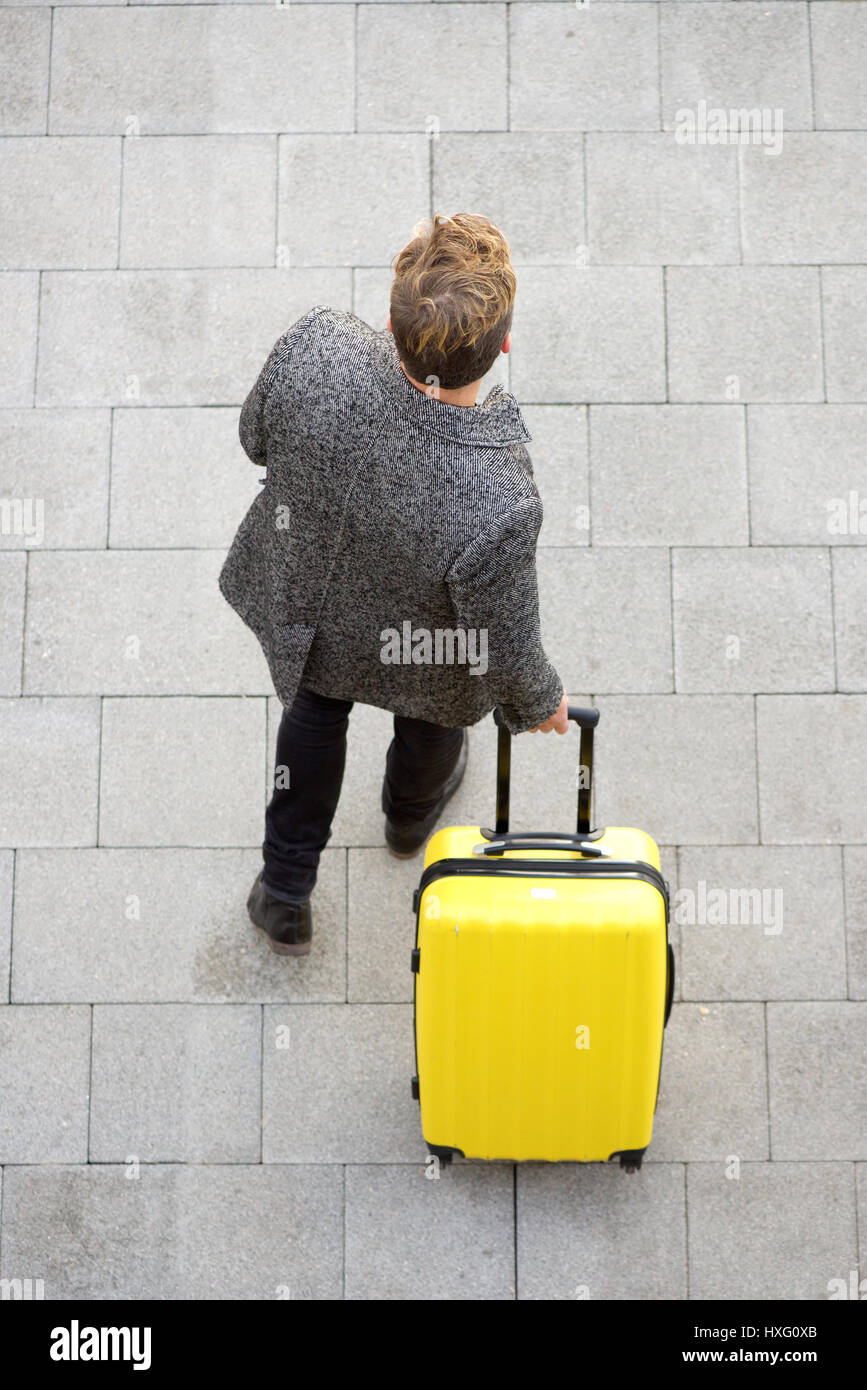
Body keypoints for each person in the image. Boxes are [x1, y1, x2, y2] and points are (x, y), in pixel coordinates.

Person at [219, 212, 567, 958]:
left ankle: (284, 891)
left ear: (390, 317)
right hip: (425, 647)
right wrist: (541, 702)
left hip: (315, 611)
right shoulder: (498, 494)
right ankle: (408, 823)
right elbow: (502, 636)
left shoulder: (315, 348)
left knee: (312, 719)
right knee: (433, 725)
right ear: (502, 346)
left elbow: (255, 438)